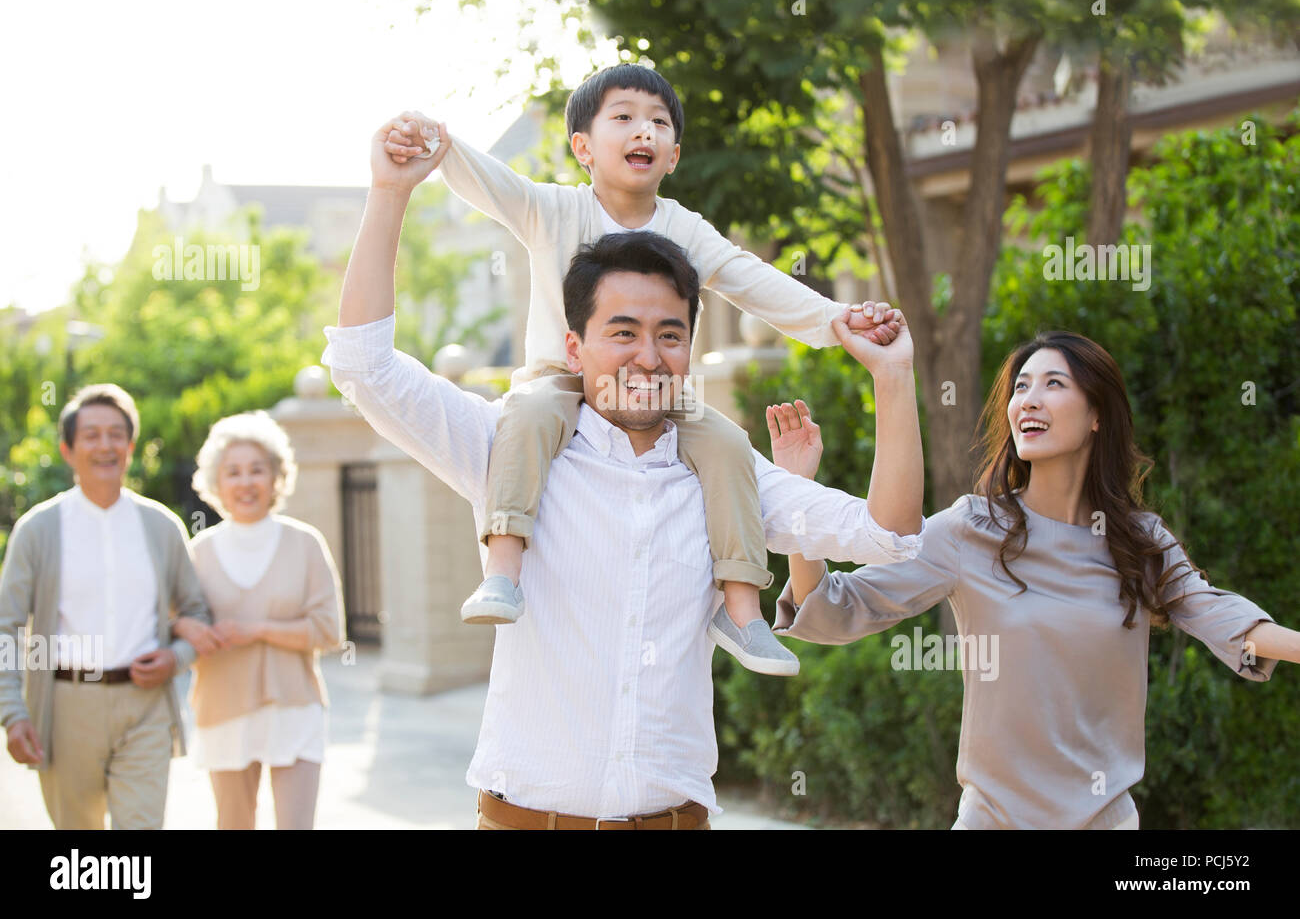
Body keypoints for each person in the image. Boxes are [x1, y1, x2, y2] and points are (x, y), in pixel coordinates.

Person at [321, 123, 924, 827]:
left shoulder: (727, 473)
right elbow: (365, 369)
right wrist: (390, 192)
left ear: (691, 347)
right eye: (623, 332)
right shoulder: (509, 447)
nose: (648, 355)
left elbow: (888, 534)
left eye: (670, 335)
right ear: (574, 347)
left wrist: (894, 376)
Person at [380, 63, 902, 676]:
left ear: (674, 155)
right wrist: (437, 142)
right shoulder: (552, 209)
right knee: (525, 414)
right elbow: (494, 184)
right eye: (623, 118)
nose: (643, 132)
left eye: (658, 123)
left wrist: (837, 319)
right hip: (557, 382)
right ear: (582, 146)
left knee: (728, 443)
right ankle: (502, 571)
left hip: (653, 388)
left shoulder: (683, 228)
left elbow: (748, 277)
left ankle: (741, 609)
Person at [773, 331, 1300, 829]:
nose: (1029, 399)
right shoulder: (970, 530)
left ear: (1097, 414)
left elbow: (1226, 621)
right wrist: (798, 496)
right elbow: (834, 609)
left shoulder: (1140, 542)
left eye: (1054, 384)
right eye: (1021, 386)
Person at [0, 383, 211, 829]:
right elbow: (7, 626)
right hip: (65, 705)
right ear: (67, 448)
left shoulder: (162, 527)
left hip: (147, 706)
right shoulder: (38, 530)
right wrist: (12, 712)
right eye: (91, 435)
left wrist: (176, 657)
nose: (105, 445)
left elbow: (197, 613)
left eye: (116, 434)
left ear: (131, 447)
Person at [172, 410, 345, 830]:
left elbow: (328, 631)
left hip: (295, 708)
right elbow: (174, 620)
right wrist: (187, 628)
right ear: (217, 483)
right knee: (233, 824)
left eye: (256, 470)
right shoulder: (199, 552)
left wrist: (254, 631)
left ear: (275, 478)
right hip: (222, 708)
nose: (245, 482)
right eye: (233, 472)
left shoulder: (305, 543)